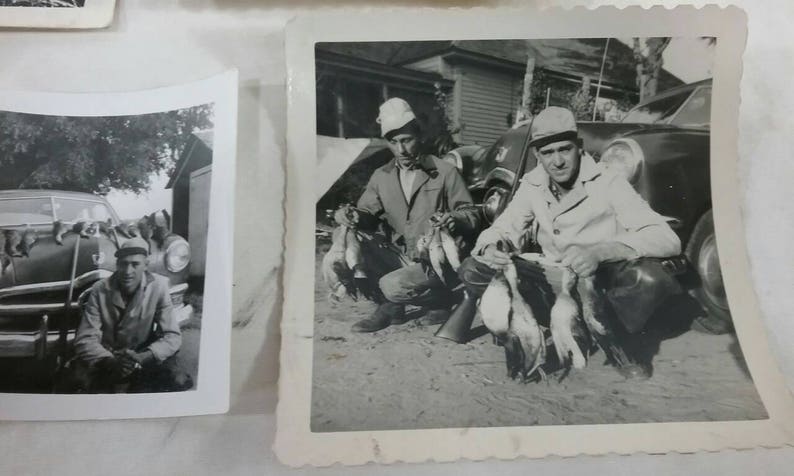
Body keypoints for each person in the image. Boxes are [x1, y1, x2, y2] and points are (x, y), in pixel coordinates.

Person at [457, 106, 682, 377]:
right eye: (547, 153)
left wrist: (601, 251)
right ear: (537, 155)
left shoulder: (609, 181)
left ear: (578, 147)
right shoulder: (533, 184)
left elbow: (666, 237)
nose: (558, 161)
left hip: (598, 284)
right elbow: (504, 226)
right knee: (474, 267)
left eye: (564, 149)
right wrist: (493, 246)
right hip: (554, 280)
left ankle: (616, 341)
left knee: (648, 278)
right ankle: (538, 327)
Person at [335, 97, 480, 333]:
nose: (401, 149)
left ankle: (439, 299)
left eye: (407, 140)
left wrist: (456, 219)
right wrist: (351, 215)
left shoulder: (445, 171)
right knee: (348, 236)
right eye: (394, 142)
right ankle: (391, 308)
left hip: (435, 259)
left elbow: (471, 214)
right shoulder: (381, 176)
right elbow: (367, 215)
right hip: (401, 255)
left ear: (419, 136)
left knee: (392, 286)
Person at [69, 237, 193, 393]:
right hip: (107, 355)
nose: (128, 271)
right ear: (117, 265)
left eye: (135, 264)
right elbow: (85, 338)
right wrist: (109, 361)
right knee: (75, 383)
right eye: (123, 264)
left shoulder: (159, 286)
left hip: (143, 353)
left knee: (178, 381)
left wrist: (146, 356)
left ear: (146, 266)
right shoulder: (99, 289)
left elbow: (172, 336)